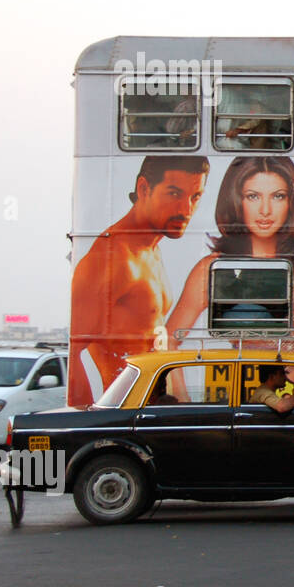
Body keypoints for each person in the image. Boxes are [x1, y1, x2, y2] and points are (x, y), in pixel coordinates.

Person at [165, 157, 294, 388]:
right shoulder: (214, 269)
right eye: (253, 196)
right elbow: (168, 342)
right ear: (236, 201)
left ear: (291, 202)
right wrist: (180, 403)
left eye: (277, 196)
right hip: (248, 399)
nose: (265, 210)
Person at [69, 156, 211, 406]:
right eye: (174, 194)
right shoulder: (112, 258)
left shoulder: (150, 249)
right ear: (144, 188)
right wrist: (87, 419)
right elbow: (74, 351)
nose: (186, 210)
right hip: (127, 408)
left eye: (195, 197)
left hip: (155, 405)